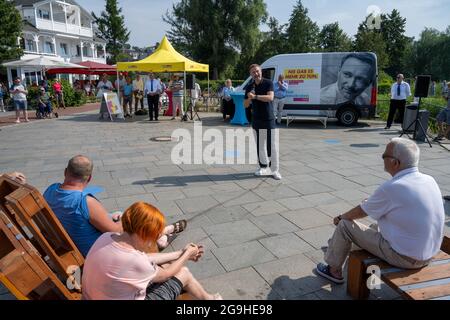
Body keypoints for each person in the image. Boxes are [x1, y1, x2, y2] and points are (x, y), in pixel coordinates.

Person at [316, 138, 445, 284]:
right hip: (428, 254)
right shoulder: (429, 180)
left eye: (385, 155)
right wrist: (370, 205)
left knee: (345, 225)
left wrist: (340, 217)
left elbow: (360, 212)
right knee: (373, 227)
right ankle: (338, 247)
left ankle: (334, 270)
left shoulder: (393, 186)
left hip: (405, 258)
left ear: (395, 163)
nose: (382, 157)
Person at [43, 155, 187, 257]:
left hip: (70, 241)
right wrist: (124, 218)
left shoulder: (50, 189)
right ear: (90, 178)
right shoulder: (85, 201)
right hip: (96, 250)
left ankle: (162, 234)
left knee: (117, 213)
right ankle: (161, 235)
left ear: (65, 172)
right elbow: (113, 229)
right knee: (134, 219)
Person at [81, 202, 222, 300]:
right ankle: (208, 299)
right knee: (183, 272)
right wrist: (186, 255)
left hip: (95, 295)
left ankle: (206, 297)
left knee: (167, 263)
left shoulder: (107, 238)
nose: (154, 240)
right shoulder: (135, 261)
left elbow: (144, 258)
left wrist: (180, 253)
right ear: (144, 233)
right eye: (154, 235)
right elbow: (166, 274)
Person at [244, 64, 281, 180]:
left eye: (257, 71)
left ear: (261, 72)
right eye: (253, 72)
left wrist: (255, 97)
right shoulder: (249, 86)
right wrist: (249, 98)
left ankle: (275, 170)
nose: (256, 73)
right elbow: (245, 105)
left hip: (268, 119)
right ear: (251, 75)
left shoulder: (268, 83)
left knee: (272, 146)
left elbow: (270, 98)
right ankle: (263, 167)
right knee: (260, 146)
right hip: (256, 120)